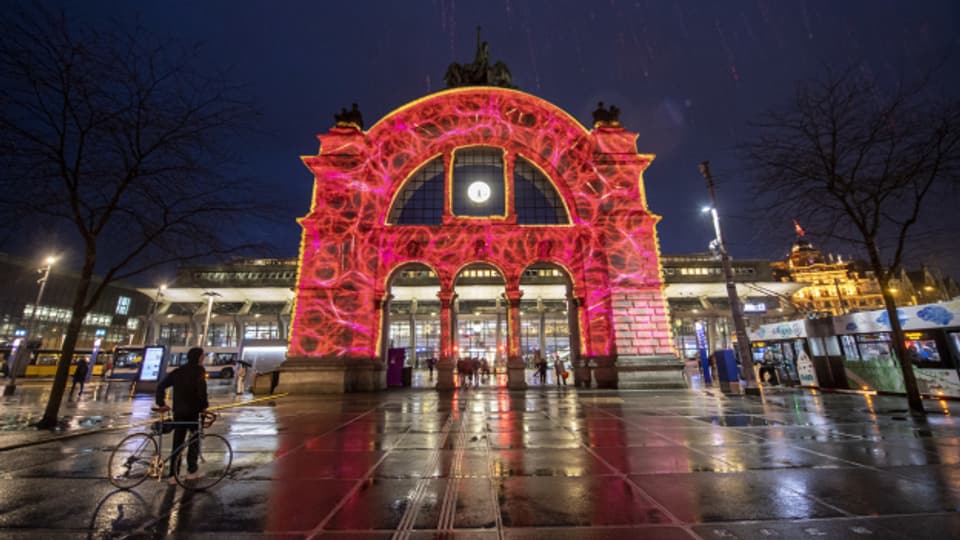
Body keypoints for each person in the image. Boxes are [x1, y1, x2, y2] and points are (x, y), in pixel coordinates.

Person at [156, 347, 209, 485]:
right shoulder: (199, 371)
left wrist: (161, 403)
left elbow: (161, 386)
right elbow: (201, 390)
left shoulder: (178, 372)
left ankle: (173, 475)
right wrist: (204, 407)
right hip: (193, 412)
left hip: (178, 412)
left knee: (177, 443)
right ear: (198, 357)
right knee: (194, 440)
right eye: (203, 356)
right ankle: (191, 471)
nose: (204, 358)